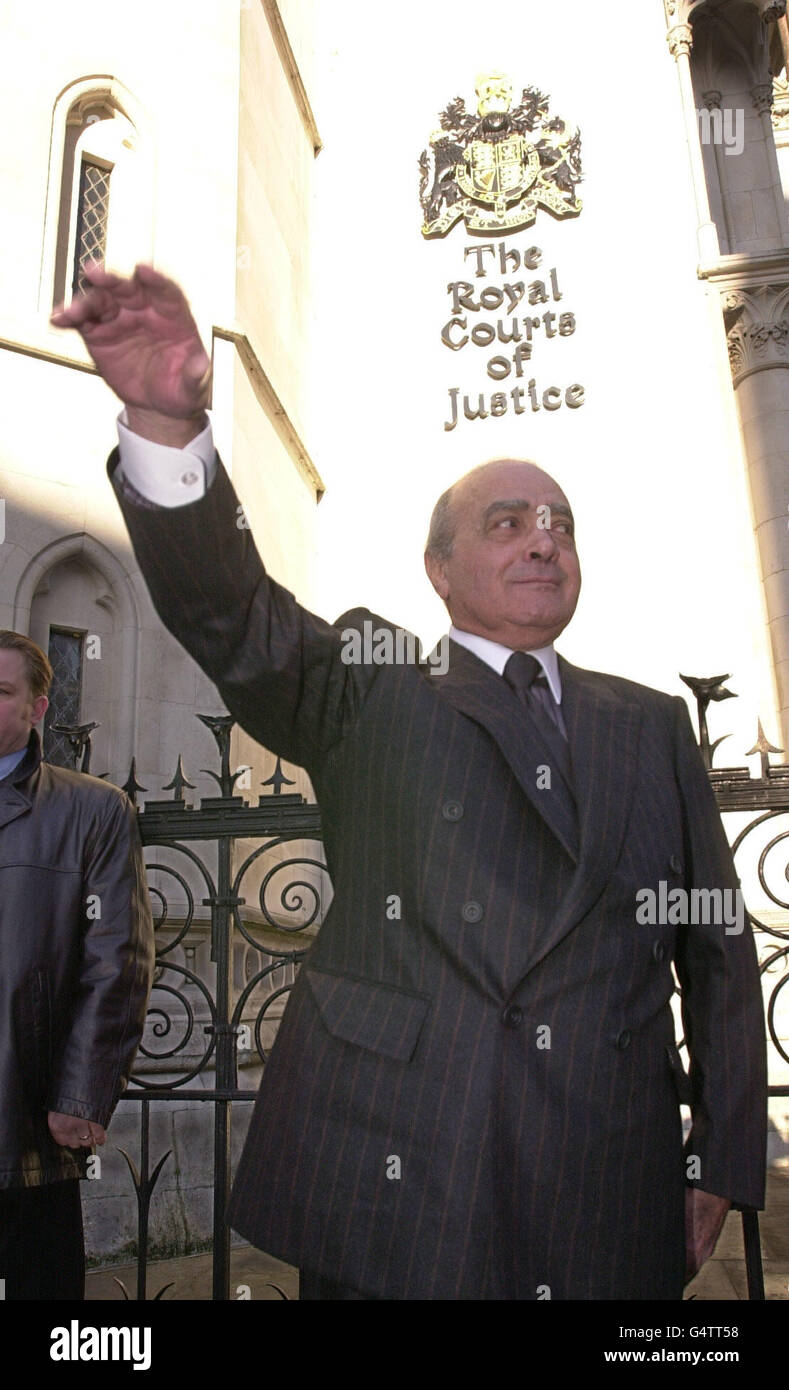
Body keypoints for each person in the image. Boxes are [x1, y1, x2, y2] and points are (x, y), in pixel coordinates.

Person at [52, 264, 767, 1301]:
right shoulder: (372, 681)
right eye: (508, 521)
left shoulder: (650, 725)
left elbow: (716, 952)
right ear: (438, 569)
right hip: (401, 1176)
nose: (543, 538)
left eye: (560, 523)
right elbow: (233, 613)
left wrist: (723, 1151)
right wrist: (170, 429)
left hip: (604, 1181)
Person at [0, 630, 154, 1300]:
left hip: (24, 1118)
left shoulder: (91, 809)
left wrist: (79, 1096)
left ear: (38, 705)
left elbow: (115, 962)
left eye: (1, 691)